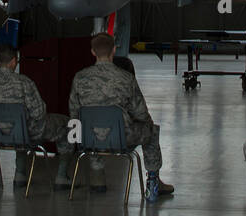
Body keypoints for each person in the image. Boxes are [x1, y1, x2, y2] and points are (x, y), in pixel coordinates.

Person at [69, 33, 173, 202]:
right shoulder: (126, 79)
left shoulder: (79, 78)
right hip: (122, 138)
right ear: (114, 50)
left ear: (93, 52)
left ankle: (97, 179)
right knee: (151, 130)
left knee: (92, 127)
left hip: (89, 139)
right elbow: (141, 114)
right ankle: (153, 183)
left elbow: (74, 112)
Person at [0, 41, 75, 189]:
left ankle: (20, 174)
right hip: (26, 133)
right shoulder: (24, 83)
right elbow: (39, 112)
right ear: (14, 61)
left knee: (17, 129)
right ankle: (62, 177)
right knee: (69, 125)